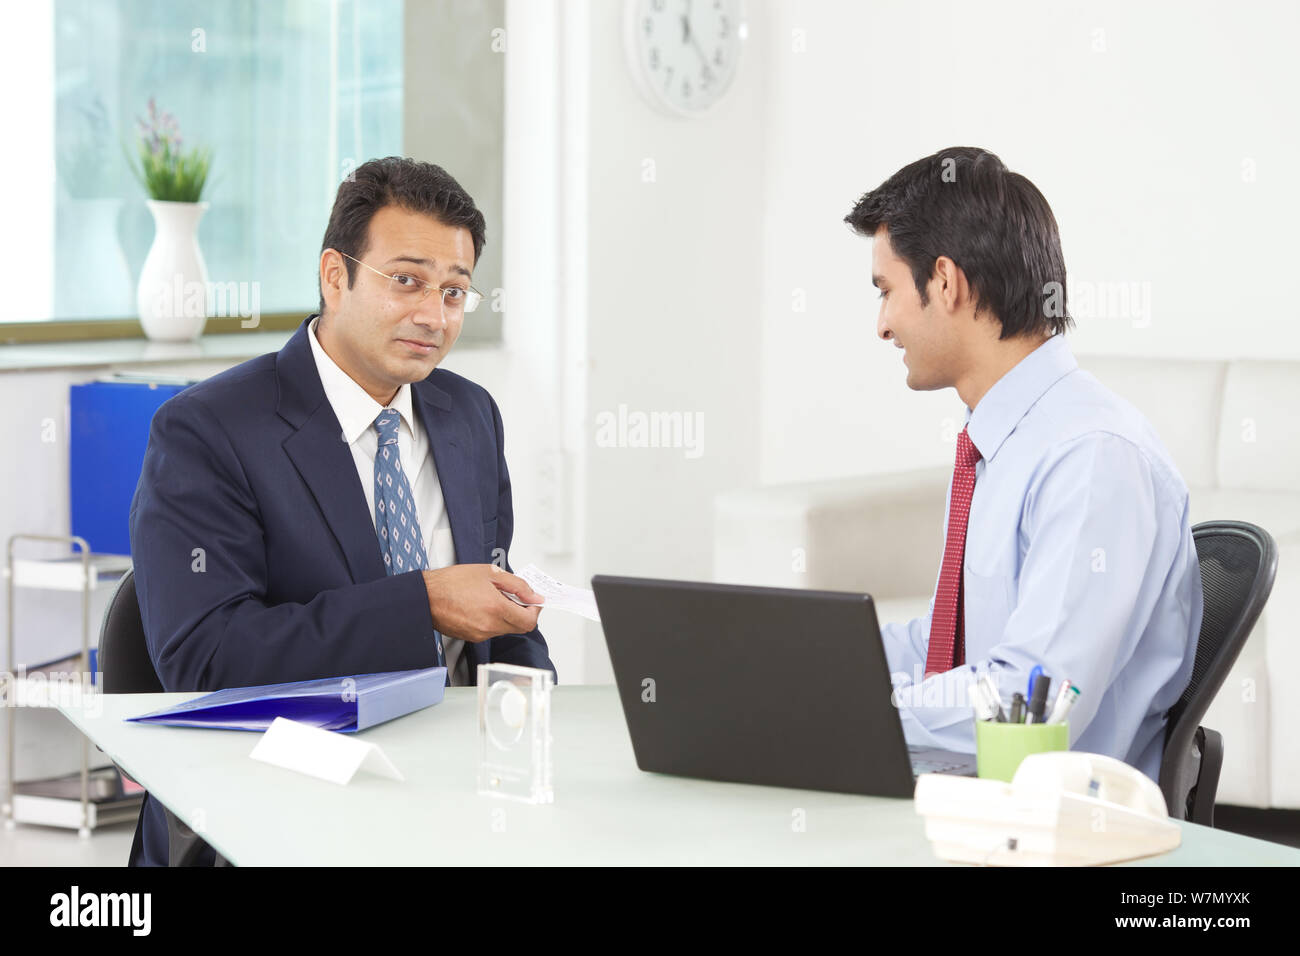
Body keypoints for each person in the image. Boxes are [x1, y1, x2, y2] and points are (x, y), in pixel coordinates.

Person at [127, 157, 553, 865]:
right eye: (407, 281)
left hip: (447, 801)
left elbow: (498, 622)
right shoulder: (208, 431)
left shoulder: (469, 415)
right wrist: (420, 603)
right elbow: (205, 662)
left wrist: (531, 702)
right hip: (272, 804)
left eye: (455, 292)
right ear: (335, 275)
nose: (432, 315)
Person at [844, 146, 1202, 782]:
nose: (881, 326)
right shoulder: (1011, 442)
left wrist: (849, 709)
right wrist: (802, 664)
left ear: (945, 283)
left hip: (1059, 830)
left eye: (886, 291)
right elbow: (947, 649)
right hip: (980, 804)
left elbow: (1028, 707)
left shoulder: (1091, 458)